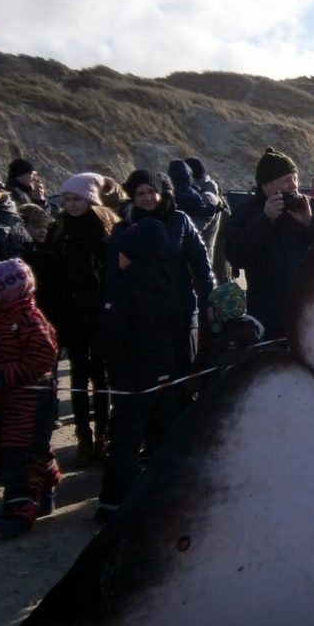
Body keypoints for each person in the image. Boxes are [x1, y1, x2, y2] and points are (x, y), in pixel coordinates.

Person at [93, 219, 183, 525]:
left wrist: (100, 349)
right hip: (164, 371)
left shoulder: (124, 287)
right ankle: (164, 494)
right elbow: (178, 326)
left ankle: (114, 502)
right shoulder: (170, 281)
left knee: (125, 437)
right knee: (162, 434)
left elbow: (111, 335)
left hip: (132, 376)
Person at [107, 170, 215, 383]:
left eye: (151, 191)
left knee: (185, 377)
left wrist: (209, 301)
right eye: (140, 193)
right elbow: (114, 272)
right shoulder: (124, 227)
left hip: (182, 310)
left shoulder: (179, 220)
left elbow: (202, 265)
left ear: (161, 193)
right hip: (142, 317)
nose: (147, 198)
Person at [47, 172, 118, 467]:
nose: (71, 204)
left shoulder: (107, 226)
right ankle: (83, 438)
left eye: (76, 198)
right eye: (66, 199)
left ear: (90, 199)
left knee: (101, 378)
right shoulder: (59, 228)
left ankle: (102, 435)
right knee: (78, 377)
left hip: (100, 312)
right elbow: (52, 273)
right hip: (72, 314)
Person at [224, 148, 314, 341]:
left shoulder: (312, 207)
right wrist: (265, 220)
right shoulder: (247, 212)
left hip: (313, 310)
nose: (294, 185)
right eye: (286, 180)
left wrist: (311, 223)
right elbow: (235, 255)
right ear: (266, 185)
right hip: (268, 315)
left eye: (295, 178)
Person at [0, 259, 60, 538]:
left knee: (18, 454)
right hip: (10, 398)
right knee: (31, 449)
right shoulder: (3, 315)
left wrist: (4, 375)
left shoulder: (28, 318)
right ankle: (47, 485)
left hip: (30, 399)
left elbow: (44, 356)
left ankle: (20, 514)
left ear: (9, 289)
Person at [193, 281, 264, 392]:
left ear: (221, 309)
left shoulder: (244, 332)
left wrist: (229, 358)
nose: (207, 310)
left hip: (235, 392)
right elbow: (201, 366)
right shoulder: (212, 333)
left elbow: (258, 357)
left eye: (210, 307)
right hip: (212, 392)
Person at [183, 157, 231, 282]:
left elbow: (192, 229)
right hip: (211, 257)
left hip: (211, 260)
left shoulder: (207, 198)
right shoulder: (205, 195)